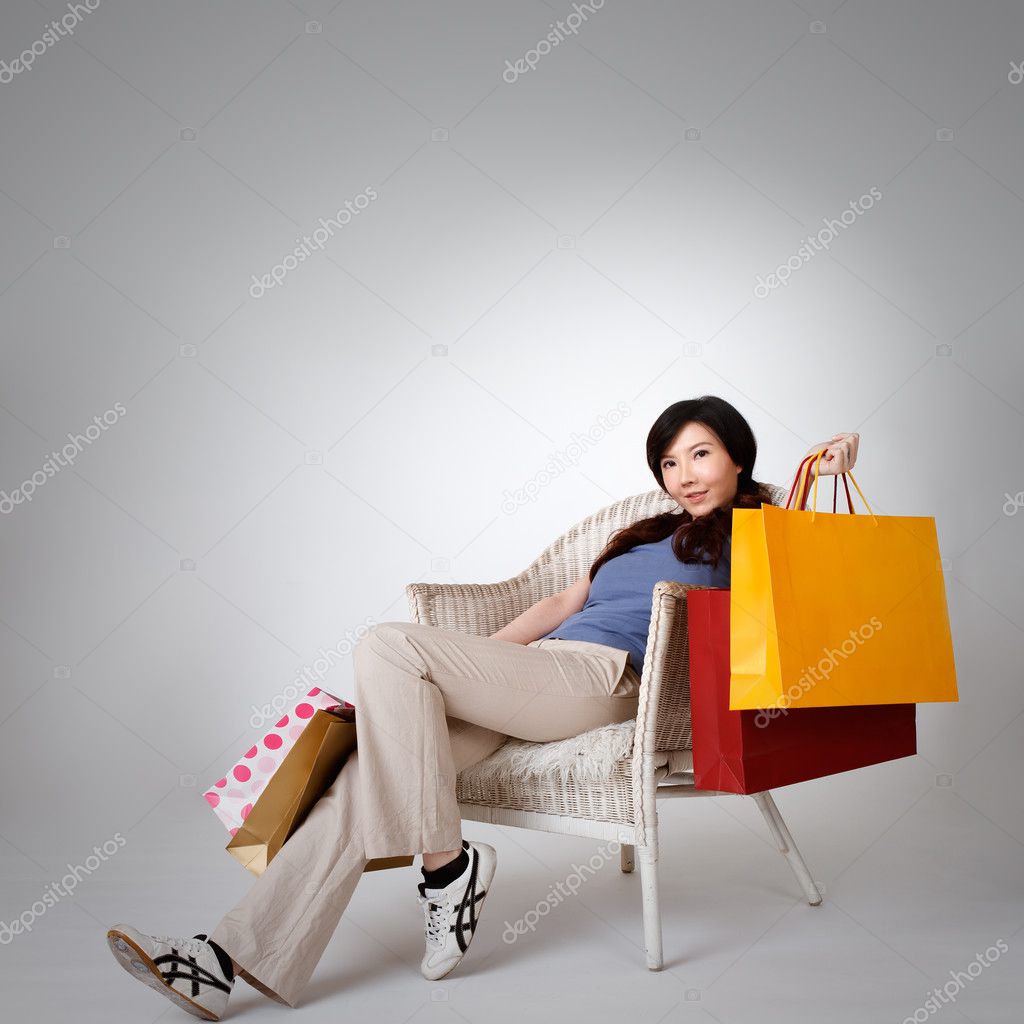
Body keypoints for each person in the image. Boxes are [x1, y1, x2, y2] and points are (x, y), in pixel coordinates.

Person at [105, 395, 859, 1019]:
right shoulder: (644, 533)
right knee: (360, 781)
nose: (684, 474)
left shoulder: (758, 526)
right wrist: (461, 672)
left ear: (736, 455)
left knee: (385, 643)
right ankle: (223, 962)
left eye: (700, 454)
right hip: (534, 677)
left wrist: (836, 461)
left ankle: (446, 870)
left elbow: (819, 524)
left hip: (605, 683)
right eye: (669, 461)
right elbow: (565, 600)